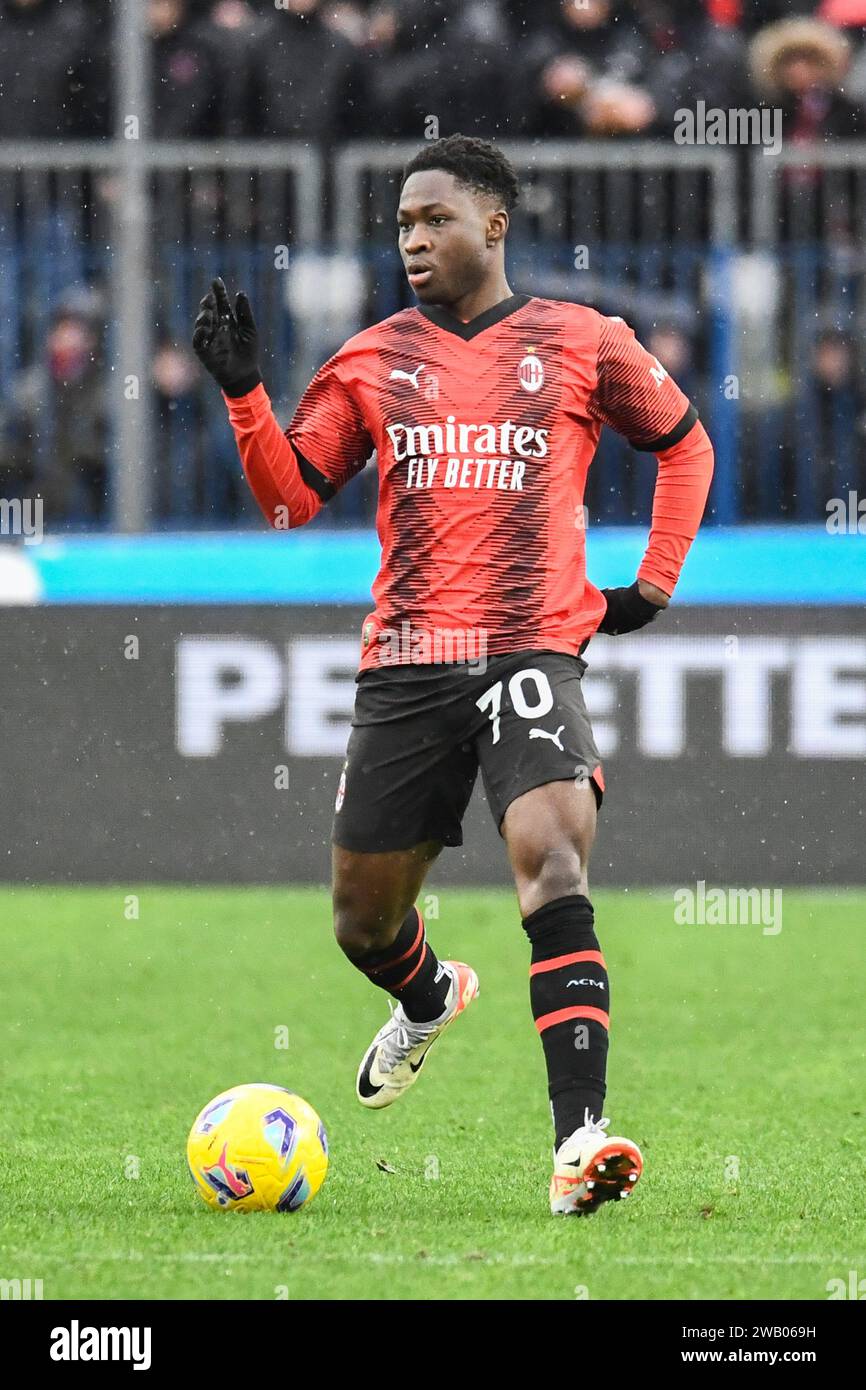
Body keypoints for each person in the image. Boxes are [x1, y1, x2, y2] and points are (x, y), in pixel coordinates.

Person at [192, 135, 714, 1216]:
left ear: (495, 223)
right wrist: (245, 395)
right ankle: (426, 993)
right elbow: (291, 500)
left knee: (554, 865)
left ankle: (582, 1140)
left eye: (434, 219)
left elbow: (684, 443)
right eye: (400, 225)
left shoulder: (580, 340)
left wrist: (650, 586)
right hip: (407, 661)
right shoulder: (373, 357)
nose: (414, 240)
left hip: (529, 649)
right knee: (362, 923)